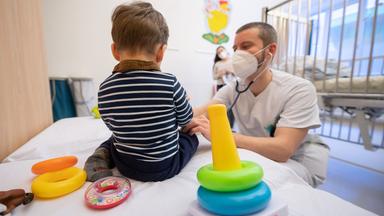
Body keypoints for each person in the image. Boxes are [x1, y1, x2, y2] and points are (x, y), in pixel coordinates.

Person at [187, 22, 329, 187]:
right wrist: (173, 108)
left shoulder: (299, 89)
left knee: (255, 182)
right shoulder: (233, 88)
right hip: (258, 151)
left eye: (246, 46)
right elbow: (200, 113)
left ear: (271, 50)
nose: (238, 54)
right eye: (235, 49)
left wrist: (222, 136)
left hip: (298, 159)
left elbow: (283, 149)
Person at [84, 2, 199, 182]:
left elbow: (112, 124)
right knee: (191, 138)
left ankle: (104, 152)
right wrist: (183, 101)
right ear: (161, 52)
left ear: (114, 50)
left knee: (116, 138)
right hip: (165, 167)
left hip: (126, 165)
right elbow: (186, 120)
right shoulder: (170, 82)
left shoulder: (105, 87)